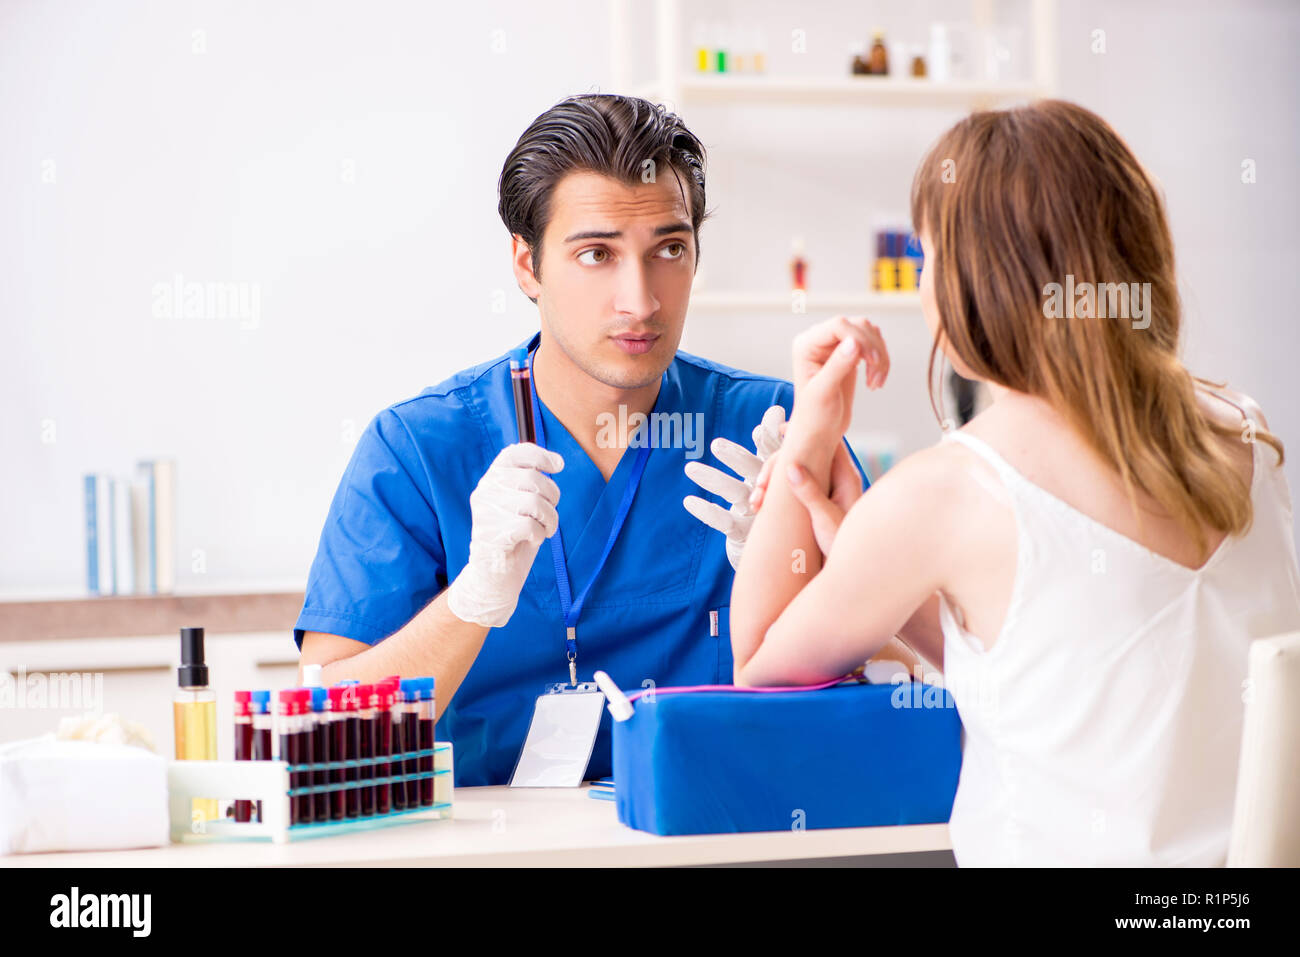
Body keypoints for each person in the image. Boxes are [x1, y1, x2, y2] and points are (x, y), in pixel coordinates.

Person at [733, 99, 1300, 866]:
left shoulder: (948, 490)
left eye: (927, 257)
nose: (922, 286)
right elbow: (1098, 654)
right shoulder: (1245, 434)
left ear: (979, 280)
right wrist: (899, 592)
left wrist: (811, 422)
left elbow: (758, 670)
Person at [294, 93, 910, 787]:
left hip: (719, 833)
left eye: (669, 250)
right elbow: (323, 731)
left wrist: (800, 579)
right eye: (597, 254)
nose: (641, 300)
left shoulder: (773, 429)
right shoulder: (417, 449)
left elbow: (907, 684)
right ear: (526, 264)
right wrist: (471, 599)